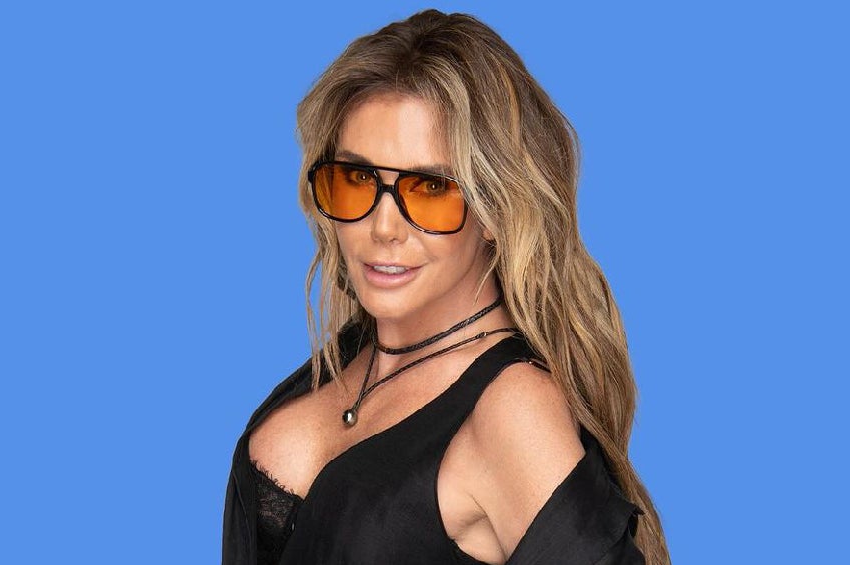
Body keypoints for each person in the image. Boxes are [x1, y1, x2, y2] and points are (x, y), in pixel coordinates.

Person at [223, 9, 670, 565]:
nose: (383, 227)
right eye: (358, 178)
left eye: (431, 188)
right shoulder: (356, 354)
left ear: (497, 209)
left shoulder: (512, 408)